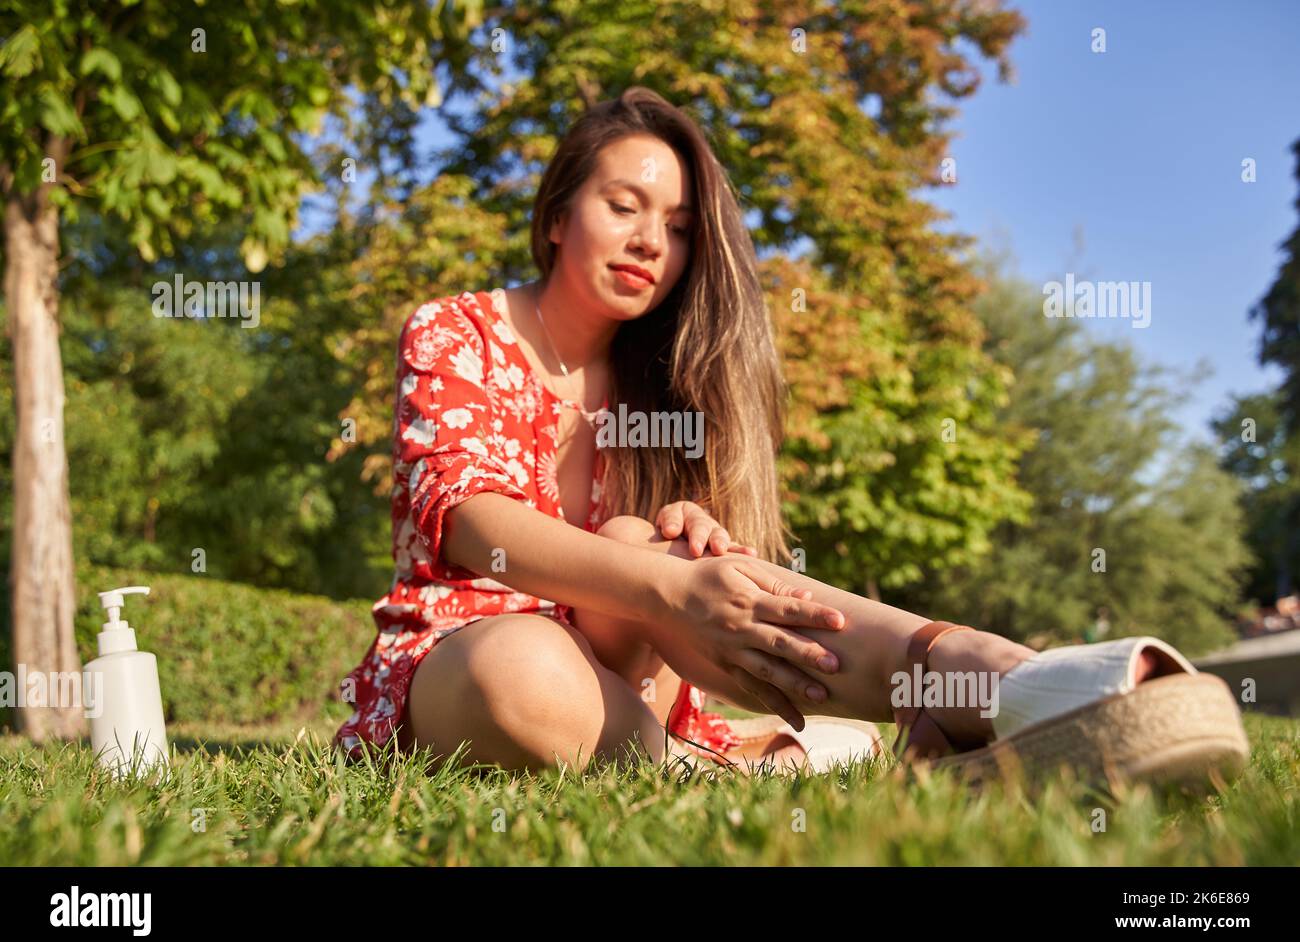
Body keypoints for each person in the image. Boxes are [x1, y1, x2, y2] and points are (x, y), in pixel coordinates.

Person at [333, 88, 1245, 783]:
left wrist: (681, 542)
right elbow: (473, 526)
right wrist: (667, 583)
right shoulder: (457, 329)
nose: (653, 241)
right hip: (467, 657)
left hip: (629, 676)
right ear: (556, 215)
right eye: (624, 206)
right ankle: (727, 766)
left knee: (636, 538)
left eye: (681, 228)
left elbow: (678, 607)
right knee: (522, 667)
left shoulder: (666, 381)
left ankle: (988, 675)